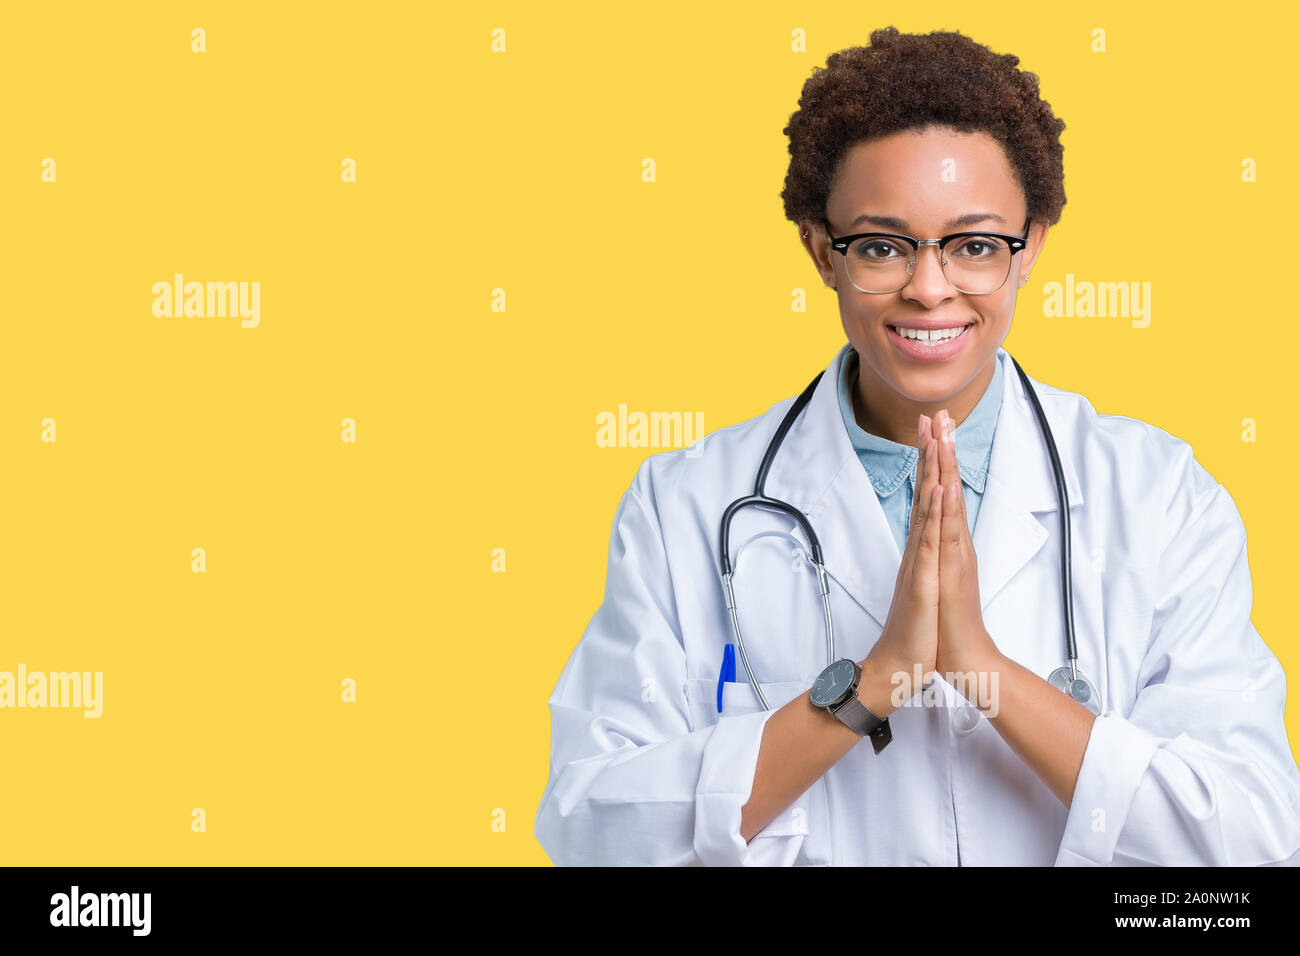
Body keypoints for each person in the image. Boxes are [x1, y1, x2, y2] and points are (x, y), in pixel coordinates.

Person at [533, 26, 1300, 866]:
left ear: (1032, 244)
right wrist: (872, 683)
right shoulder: (684, 504)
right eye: (882, 246)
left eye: (975, 246)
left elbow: (1250, 845)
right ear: (821, 250)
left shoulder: (1159, 497)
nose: (929, 288)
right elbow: (591, 827)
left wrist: (983, 669)